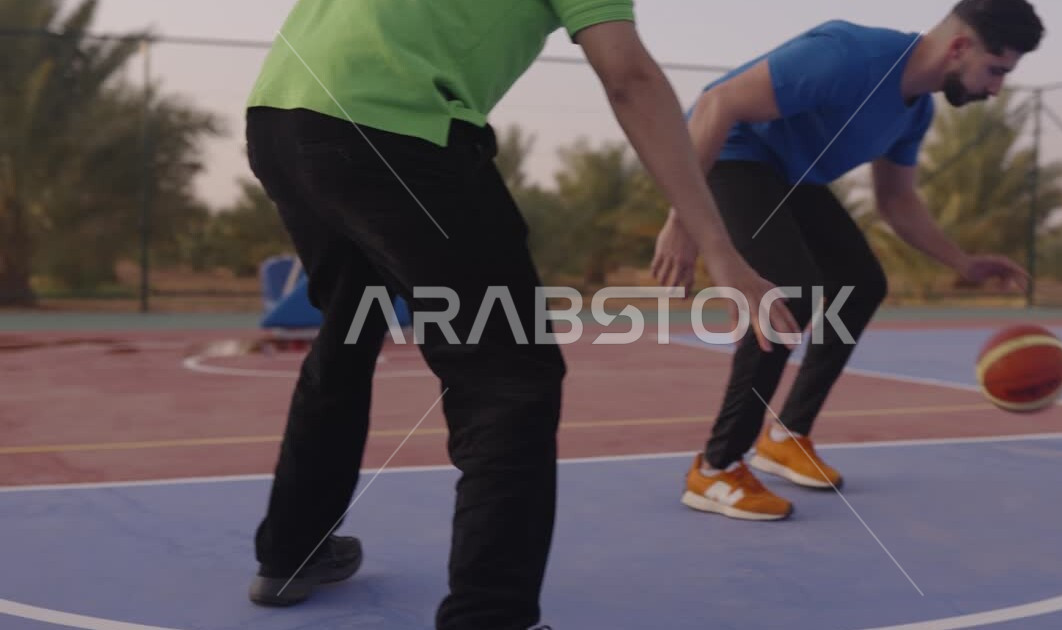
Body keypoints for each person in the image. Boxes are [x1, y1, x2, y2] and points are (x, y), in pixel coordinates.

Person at [241, 1, 799, 628]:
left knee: (348, 331)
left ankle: (292, 549)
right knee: (508, 380)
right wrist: (719, 250)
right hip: (396, 124)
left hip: (282, 114)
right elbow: (629, 76)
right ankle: (491, 617)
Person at [651, 0, 1044, 521]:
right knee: (791, 289)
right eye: (996, 71)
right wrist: (684, 221)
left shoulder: (914, 111)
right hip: (725, 152)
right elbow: (717, 104)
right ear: (958, 47)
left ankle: (786, 434)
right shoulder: (850, 55)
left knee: (858, 281)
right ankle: (716, 468)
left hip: (786, 175)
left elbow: (896, 201)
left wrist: (963, 263)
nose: (996, 88)